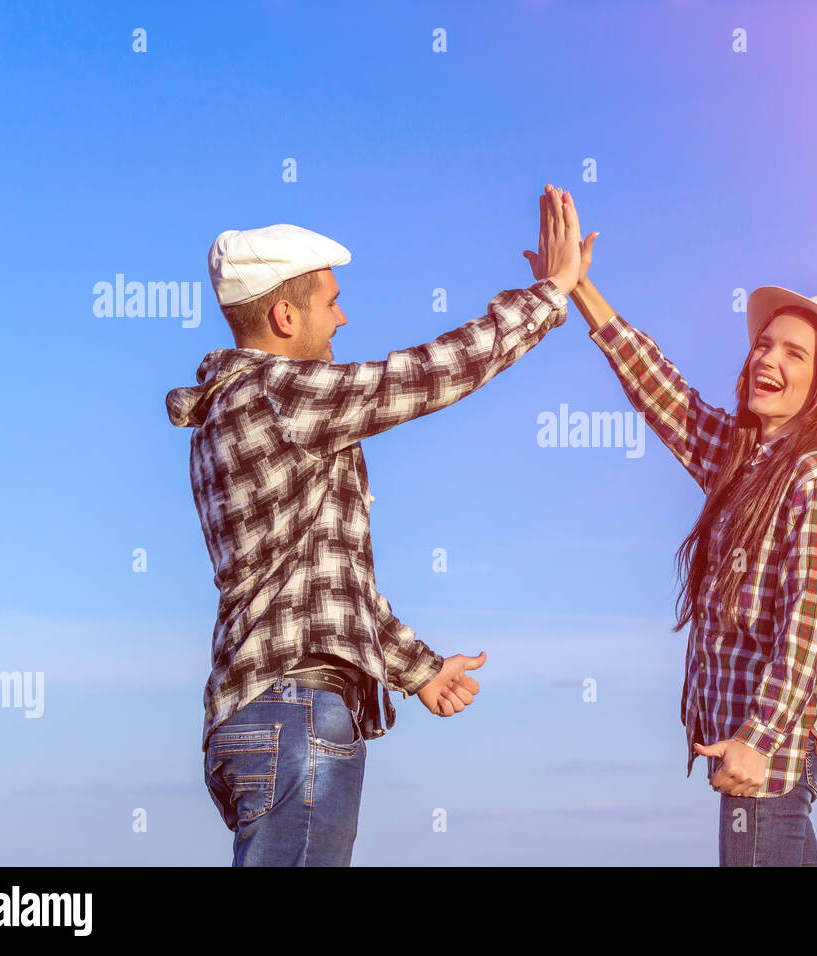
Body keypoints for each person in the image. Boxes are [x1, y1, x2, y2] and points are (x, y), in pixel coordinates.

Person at [166, 185, 584, 865]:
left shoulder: (230, 408)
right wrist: (548, 296)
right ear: (282, 314)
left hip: (258, 713)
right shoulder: (278, 396)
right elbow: (423, 375)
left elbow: (320, 584)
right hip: (295, 714)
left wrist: (417, 670)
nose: (342, 318)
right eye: (330, 303)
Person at [536, 189, 817, 866]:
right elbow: (662, 392)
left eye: (794, 355)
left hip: (764, 759)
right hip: (750, 752)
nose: (767, 361)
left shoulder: (812, 478)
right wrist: (580, 290)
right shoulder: (742, 461)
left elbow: (807, 628)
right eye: (764, 345)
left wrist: (761, 739)